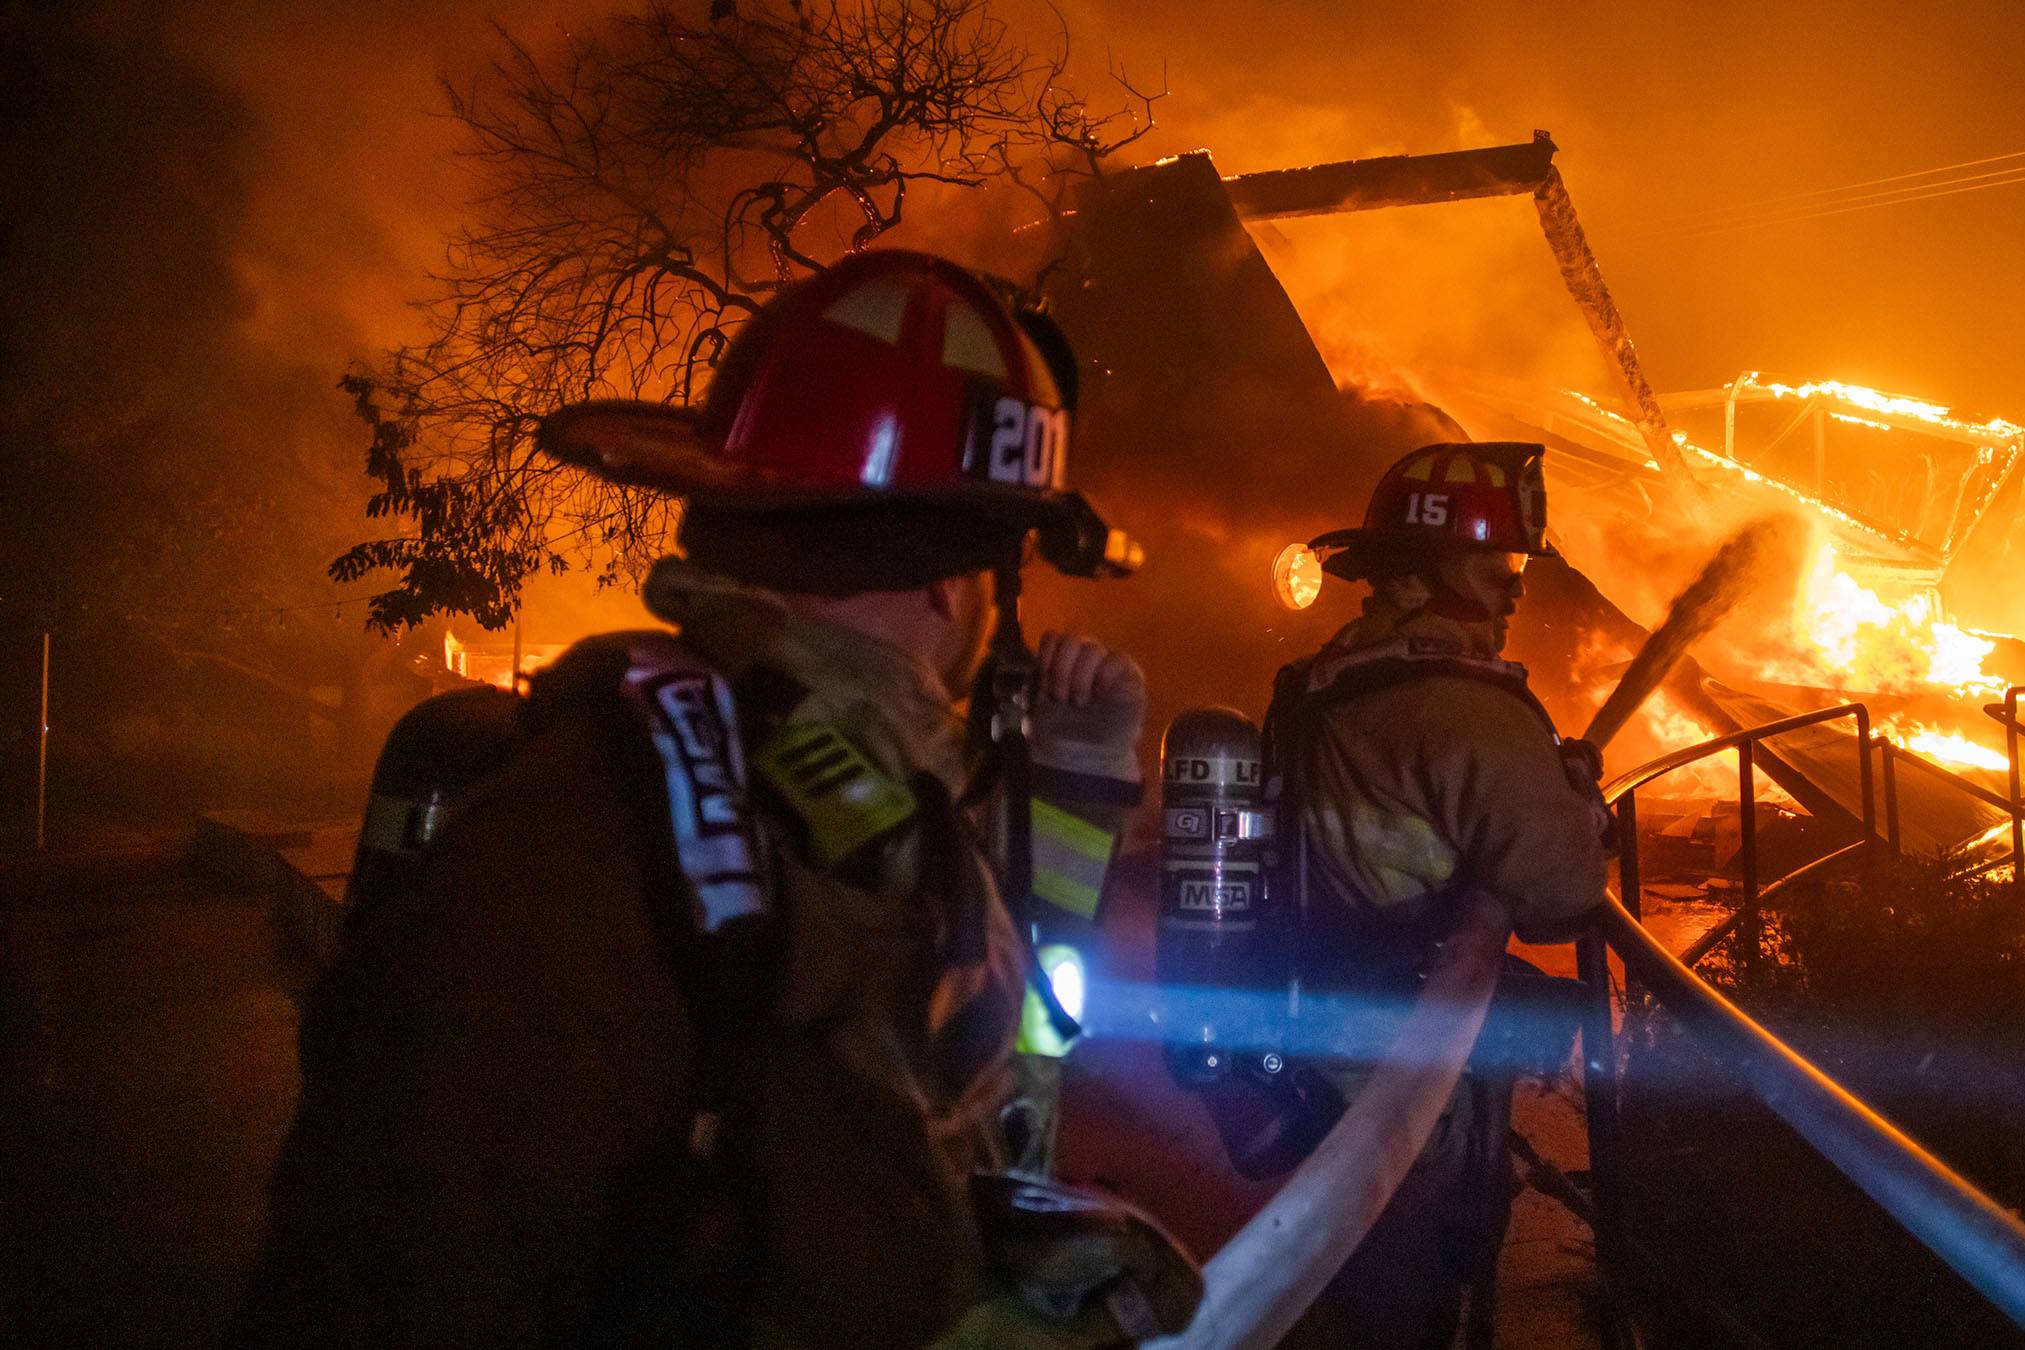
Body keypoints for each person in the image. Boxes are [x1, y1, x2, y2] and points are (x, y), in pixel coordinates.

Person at [229, 250, 1193, 1349]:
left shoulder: (845, 798)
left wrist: (1074, 777)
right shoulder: (587, 850)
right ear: (950, 579)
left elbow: (988, 1064)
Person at [1268, 440, 1614, 1348]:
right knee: (1404, 1292)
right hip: (1411, 1058)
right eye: (1496, 563)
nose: (1514, 587)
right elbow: (1559, 894)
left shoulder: (1336, 675)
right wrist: (1577, 804)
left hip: (1323, 1034)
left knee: (1340, 1274)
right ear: (1434, 571)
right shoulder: (1464, 708)